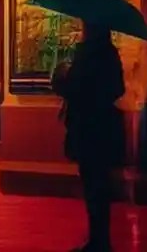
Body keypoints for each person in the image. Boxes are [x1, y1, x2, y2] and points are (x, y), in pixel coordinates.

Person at [53, 25, 125, 252]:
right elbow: (118, 88)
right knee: (100, 183)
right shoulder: (110, 54)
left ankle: (98, 240)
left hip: (87, 125)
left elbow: (74, 86)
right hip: (105, 124)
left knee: (92, 183)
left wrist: (65, 74)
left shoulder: (86, 54)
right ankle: (100, 237)